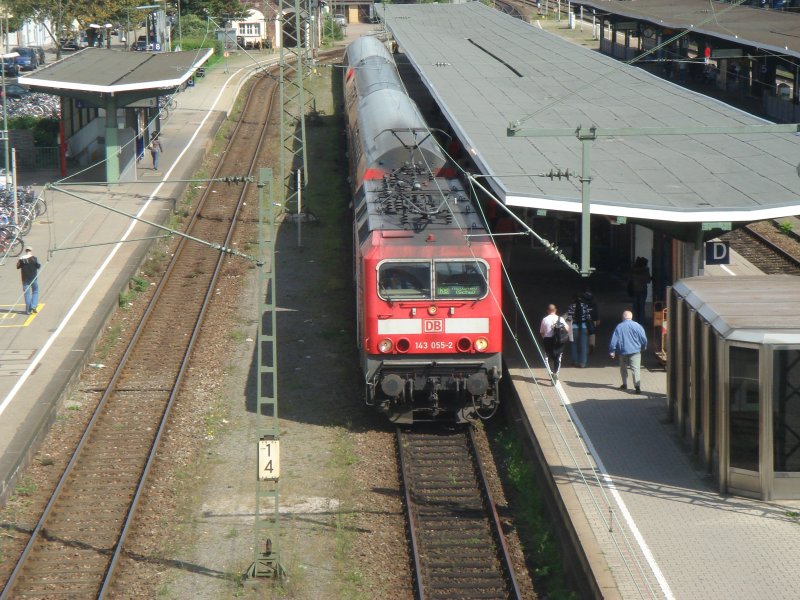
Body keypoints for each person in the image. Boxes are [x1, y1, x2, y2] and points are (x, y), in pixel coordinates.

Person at [609, 310, 648, 393]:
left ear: (623, 317)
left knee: (623, 368)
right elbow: (643, 338)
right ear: (631, 317)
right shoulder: (637, 326)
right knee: (635, 369)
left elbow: (614, 340)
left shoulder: (619, 327)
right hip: (635, 351)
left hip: (623, 351)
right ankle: (637, 387)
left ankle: (625, 384)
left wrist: (612, 351)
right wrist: (644, 346)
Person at [540, 304, 569, 381]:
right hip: (559, 341)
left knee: (546, 357)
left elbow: (542, 332)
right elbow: (567, 329)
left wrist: (545, 338)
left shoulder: (544, 319)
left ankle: (551, 373)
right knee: (558, 357)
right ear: (555, 310)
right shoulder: (560, 319)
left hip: (548, 340)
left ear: (547, 311)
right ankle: (556, 373)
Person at [565, 293, 592, 368]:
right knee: (583, 345)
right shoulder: (585, 306)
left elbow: (569, 318)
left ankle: (575, 361)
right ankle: (583, 363)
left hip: (574, 327)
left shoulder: (571, 306)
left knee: (574, 344)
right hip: (583, 326)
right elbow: (588, 317)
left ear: (573, 299)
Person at [17, 246, 41, 315]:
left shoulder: (21, 259)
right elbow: (38, 266)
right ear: (31, 251)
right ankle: (33, 305)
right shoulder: (34, 258)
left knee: (27, 294)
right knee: (35, 291)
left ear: (25, 251)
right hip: (33, 278)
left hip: (25, 279)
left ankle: (28, 310)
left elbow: (17, 267)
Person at [628, 256, 651, 324]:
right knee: (641, 306)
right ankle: (641, 321)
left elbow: (630, 279)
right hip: (643, 290)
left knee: (635, 306)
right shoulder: (645, 270)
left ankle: (634, 320)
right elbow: (648, 281)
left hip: (635, 290)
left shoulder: (633, 270)